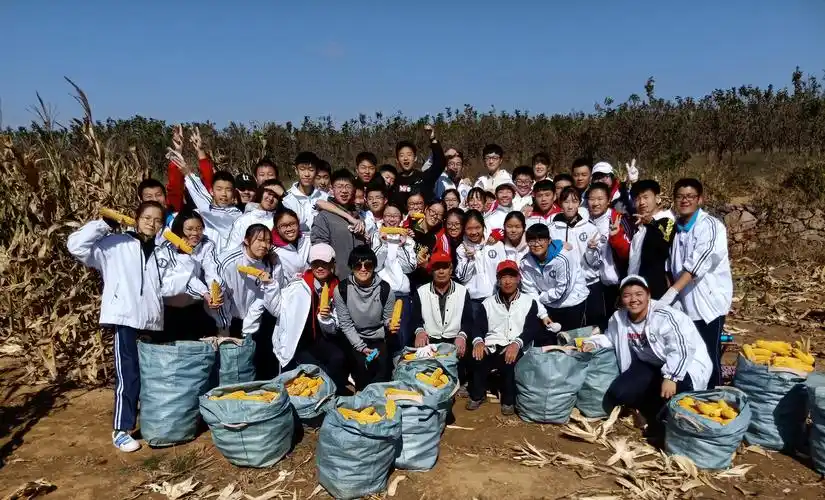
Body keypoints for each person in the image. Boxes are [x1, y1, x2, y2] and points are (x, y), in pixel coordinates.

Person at [67, 201, 196, 452]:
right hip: (124, 317)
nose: (152, 223)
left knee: (150, 376)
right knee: (128, 373)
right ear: (136, 219)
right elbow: (76, 246)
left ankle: (152, 422)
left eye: (158, 220)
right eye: (147, 218)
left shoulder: (161, 251)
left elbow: (169, 287)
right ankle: (121, 429)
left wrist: (185, 258)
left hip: (151, 319)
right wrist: (103, 225)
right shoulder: (115, 244)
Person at [583, 275, 712, 434]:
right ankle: (651, 406)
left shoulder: (664, 316)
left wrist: (671, 377)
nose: (633, 300)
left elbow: (681, 348)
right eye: (627, 295)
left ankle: (665, 415)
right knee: (619, 393)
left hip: (684, 365)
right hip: (650, 364)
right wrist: (594, 343)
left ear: (648, 295)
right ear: (621, 299)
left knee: (670, 405)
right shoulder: (619, 318)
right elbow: (611, 337)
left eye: (639, 294)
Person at [660, 178, 732, 388]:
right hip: (683, 305)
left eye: (690, 196)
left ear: (700, 199)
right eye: (680, 197)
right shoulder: (675, 227)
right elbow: (669, 264)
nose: (685, 201)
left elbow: (697, 264)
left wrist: (672, 292)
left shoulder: (710, 226)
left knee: (709, 357)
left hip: (706, 305)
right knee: (689, 355)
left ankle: (714, 397)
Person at [467, 260, 544, 414]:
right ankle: (477, 394)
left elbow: (531, 329)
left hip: (517, 345)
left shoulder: (529, 302)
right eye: (503, 277)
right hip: (493, 344)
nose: (507, 281)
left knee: (510, 360)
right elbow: (477, 327)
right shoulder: (487, 303)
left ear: (518, 278)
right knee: (477, 356)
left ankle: (508, 401)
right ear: (498, 280)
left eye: (511, 276)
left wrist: (516, 344)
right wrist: (478, 342)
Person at [272, 243, 349, 394]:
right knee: (317, 369)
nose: (320, 268)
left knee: (338, 358)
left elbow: (336, 326)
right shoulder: (297, 287)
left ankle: (330, 393)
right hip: (300, 342)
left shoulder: (339, 288)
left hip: (324, 339)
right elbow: (279, 311)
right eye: (315, 264)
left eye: (324, 264)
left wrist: (326, 319)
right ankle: (324, 394)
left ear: (332, 264)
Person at [214, 224, 282, 378]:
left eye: (268, 241)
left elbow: (262, 297)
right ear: (246, 240)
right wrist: (223, 326)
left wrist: (249, 324)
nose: (264, 245)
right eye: (259, 240)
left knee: (256, 362)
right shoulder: (227, 261)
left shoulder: (269, 263)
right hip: (226, 319)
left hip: (253, 319)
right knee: (228, 366)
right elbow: (220, 296)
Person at [334, 245, 399, 389]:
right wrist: (361, 347)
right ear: (351, 267)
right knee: (361, 370)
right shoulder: (341, 290)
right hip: (356, 336)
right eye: (358, 265)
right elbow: (345, 324)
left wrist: (391, 324)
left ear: (374, 266)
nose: (363, 269)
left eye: (368, 265)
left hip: (379, 335)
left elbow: (387, 319)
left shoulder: (385, 289)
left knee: (382, 372)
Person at [410, 251, 475, 392]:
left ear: (450, 270)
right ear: (431, 270)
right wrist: (419, 332)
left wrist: (462, 336)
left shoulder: (462, 291)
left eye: (444, 267)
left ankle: (461, 380)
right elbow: (415, 318)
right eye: (437, 267)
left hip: (453, 339)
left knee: (465, 351)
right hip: (431, 339)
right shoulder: (421, 291)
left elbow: (468, 320)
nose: (441, 271)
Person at [163, 211, 222, 341]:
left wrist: (214, 290)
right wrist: (205, 293)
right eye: (189, 229)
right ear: (179, 229)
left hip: (195, 306)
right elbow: (186, 279)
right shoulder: (167, 248)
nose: (195, 233)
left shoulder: (207, 245)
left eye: (199, 228)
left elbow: (211, 269)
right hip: (170, 308)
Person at [520, 223, 589, 331]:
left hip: (572, 304)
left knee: (573, 342)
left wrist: (542, 297)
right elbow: (530, 291)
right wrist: (543, 314)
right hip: (547, 308)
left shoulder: (563, 258)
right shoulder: (525, 263)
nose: (536, 244)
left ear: (549, 240)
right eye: (532, 241)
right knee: (552, 343)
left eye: (541, 239)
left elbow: (563, 291)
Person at [371, 204, 417, 351]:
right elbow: (375, 266)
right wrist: (384, 243)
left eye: (395, 216)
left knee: (401, 336)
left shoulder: (409, 240)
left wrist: (402, 245)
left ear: (401, 218)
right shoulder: (376, 236)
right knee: (381, 337)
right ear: (383, 218)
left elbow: (409, 267)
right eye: (388, 216)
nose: (391, 219)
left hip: (401, 294)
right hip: (381, 294)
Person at [177, 156, 242, 253]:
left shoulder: (236, 215)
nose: (224, 194)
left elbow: (207, 207)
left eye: (228, 190)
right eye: (219, 189)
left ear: (233, 193)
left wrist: (189, 175)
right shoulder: (197, 214)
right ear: (211, 191)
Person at [310, 169, 368, 279]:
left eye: (348, 186)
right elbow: (319, 249)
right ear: (332, 189)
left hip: (360, 279)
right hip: (336, 280)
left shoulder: (359, 217)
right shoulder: (324, 217)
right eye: (339, 186)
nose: (344, 191)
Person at [623, 180, 675, 299]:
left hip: (657, 293)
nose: (641, 202)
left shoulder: (667, 220)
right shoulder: (640, 227)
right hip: (636, 291)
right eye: (637, 199)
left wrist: (652, 223)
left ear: (657, 198)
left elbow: (664, 242)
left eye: (646, 197)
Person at [585, 183, 625, 330]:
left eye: (600, 199)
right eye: (591, 199)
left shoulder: (616, 218)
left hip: (615, 282)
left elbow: (627, 251)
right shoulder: (583, 218)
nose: (595, 203)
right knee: (597, 325)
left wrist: (617, 237)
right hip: (593, 283)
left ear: (608, 200)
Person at [455, 210, 507, 318]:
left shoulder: (496, 244)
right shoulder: (461, 249)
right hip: (474, 301)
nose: (474, 232)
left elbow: (504, 271)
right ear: (464, 229)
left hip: (496, 299)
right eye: (469, 228)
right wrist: (470, 259)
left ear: (483, 226)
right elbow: (462, 278)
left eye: (477, 227)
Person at [391, 125, 446, 208]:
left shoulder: (424, 178)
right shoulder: (394, 182)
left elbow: (440, 164)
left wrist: (433, 139)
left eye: (409, 155)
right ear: (397, 160)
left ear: (415, 158)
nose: (406, 158)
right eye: (402, 155)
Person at [282, 152, 329, 233]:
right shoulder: (287, 197)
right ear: (296, 170)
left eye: (311, 170)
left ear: (317, 171)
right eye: (302, 169)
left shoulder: (325, 197)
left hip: (320, 242)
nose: (307, 174)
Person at [225, 180, 280, 249]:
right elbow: (232, 248)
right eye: (269, 193)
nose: (271, 198)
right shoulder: (243, 220)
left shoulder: (279, 221)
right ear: (261, 193)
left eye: (275, 197)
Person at [272, 209, 311, 286]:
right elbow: (277, 283)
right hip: (291, 293)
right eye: (283, 226)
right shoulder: (274, 252)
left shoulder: (308, 240)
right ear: (277, 229)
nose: (289, 229)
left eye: (293, 224)